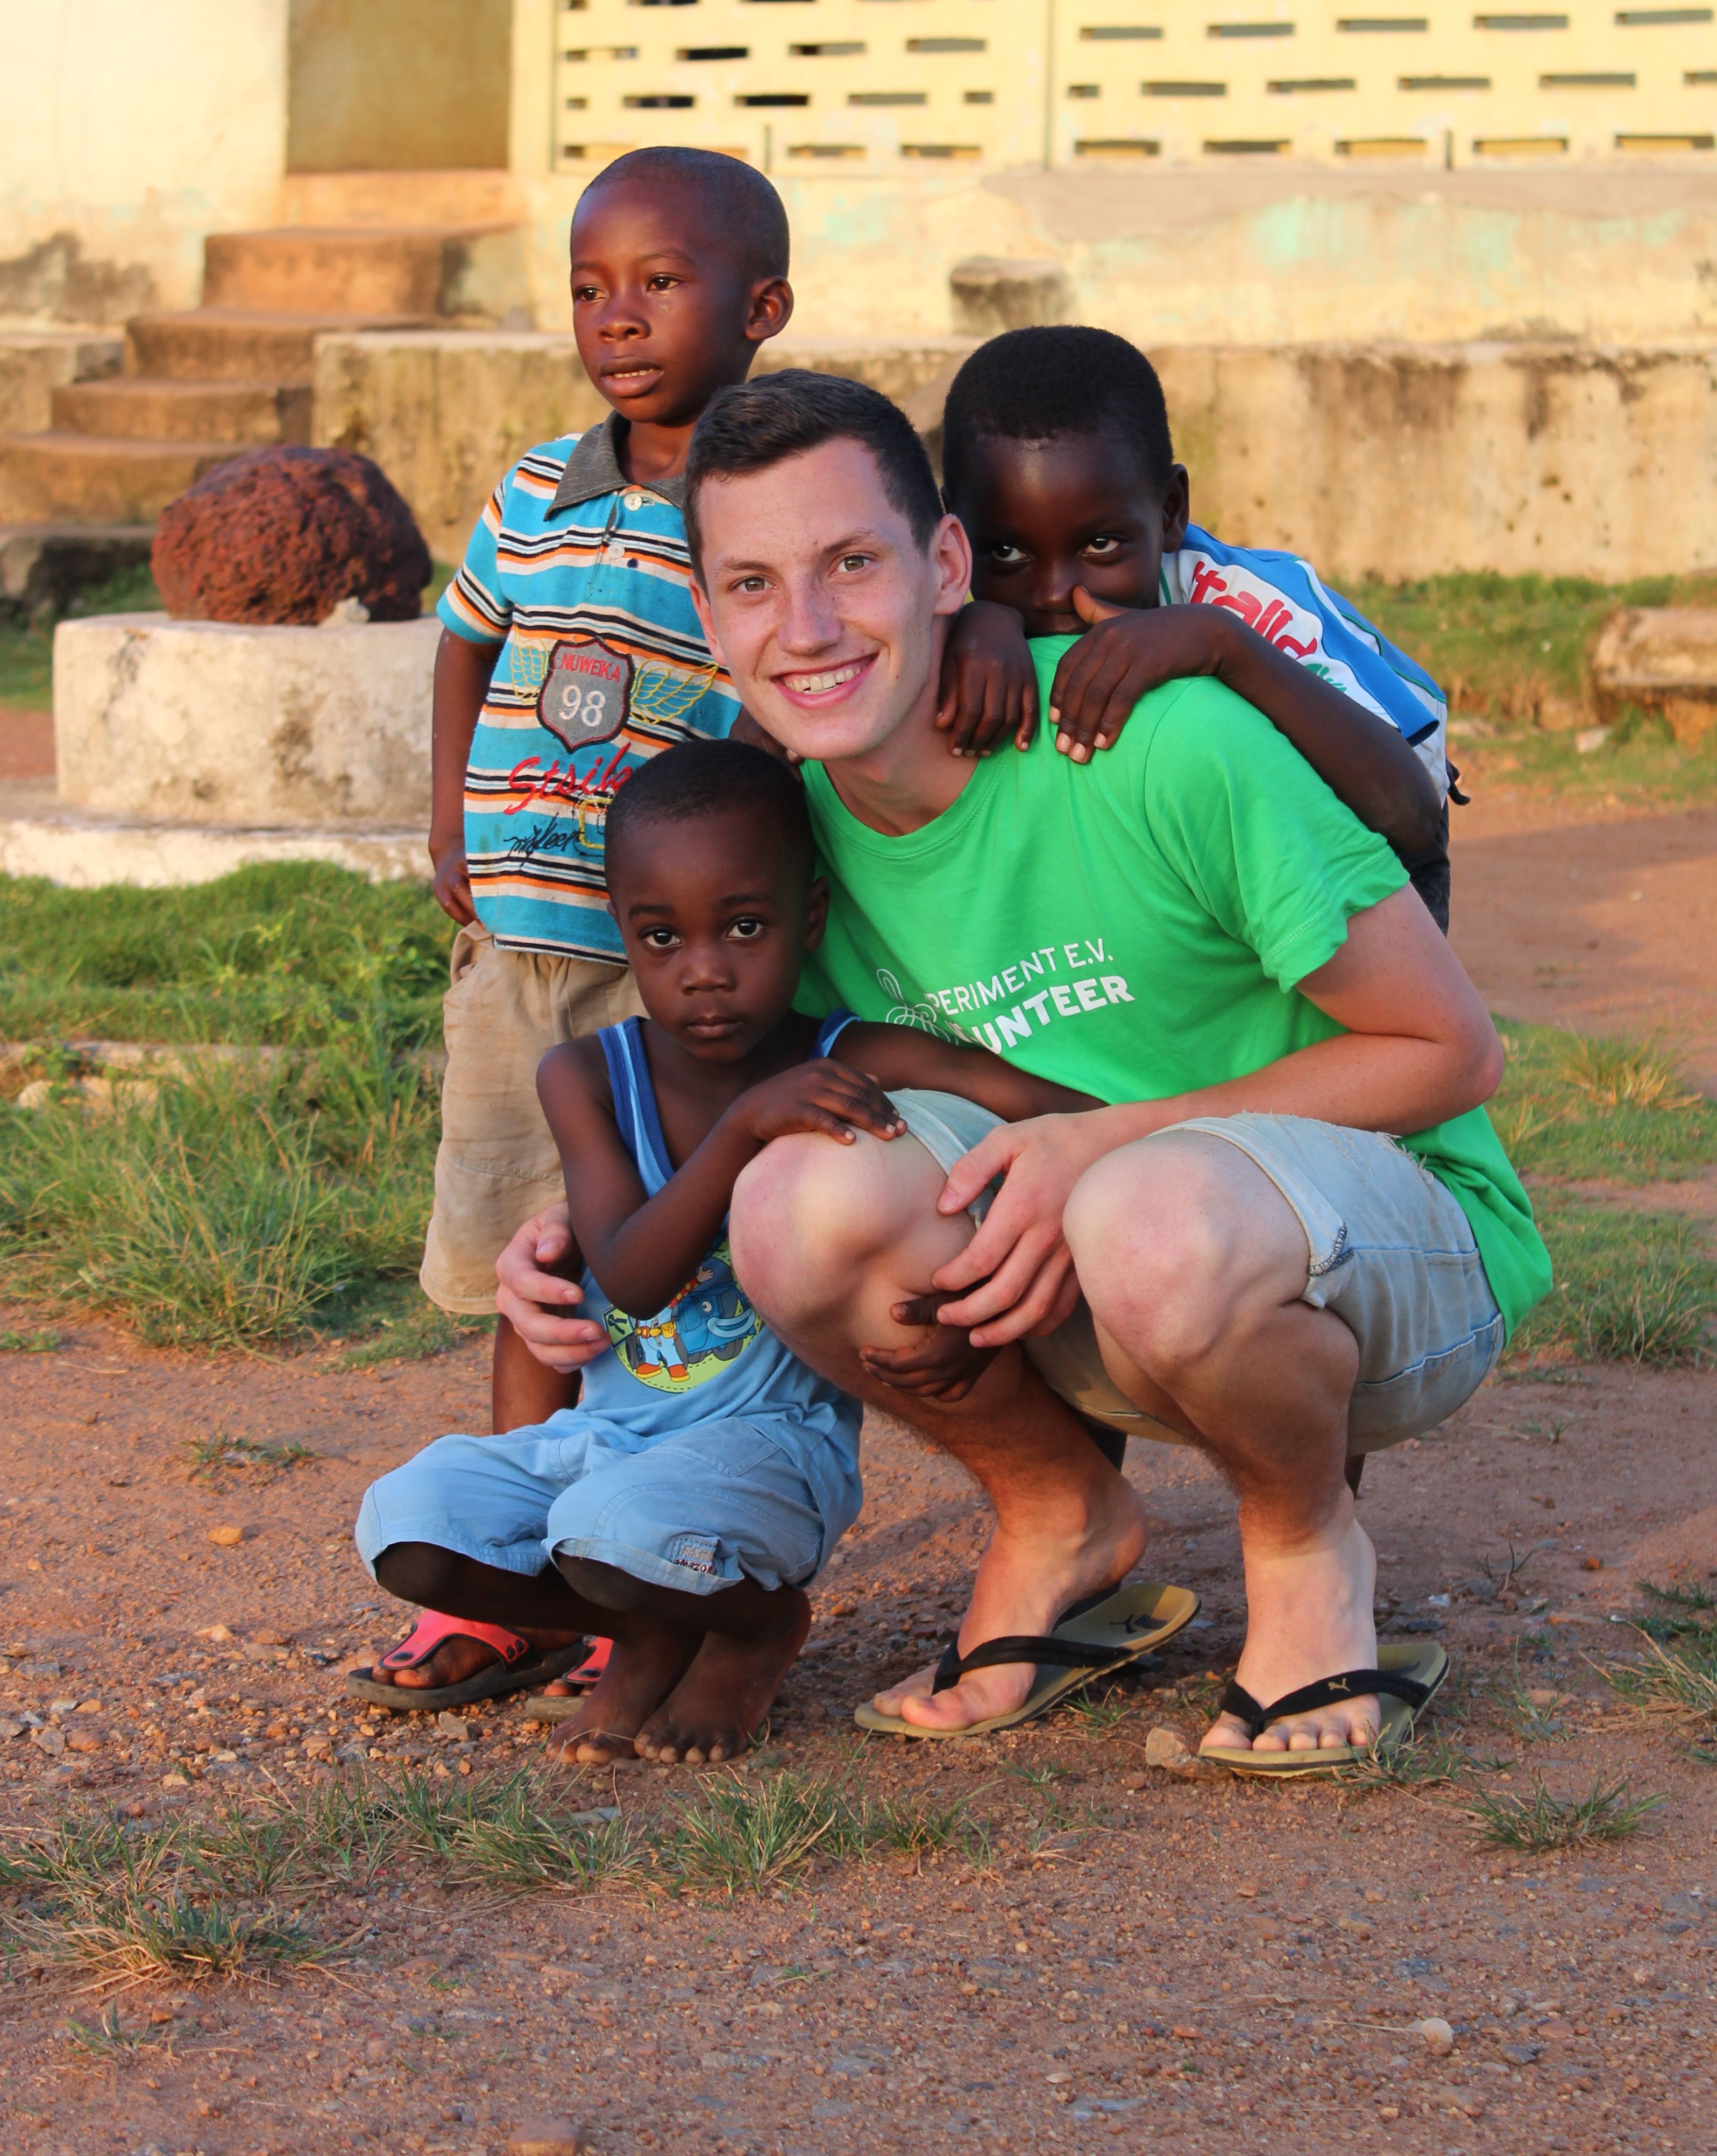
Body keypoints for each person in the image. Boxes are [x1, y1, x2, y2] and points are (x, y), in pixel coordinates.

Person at [499, 370, 1545, 1769]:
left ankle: (1306, 1549)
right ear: (709, 617)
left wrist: (1102, 1146)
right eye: (751, 583)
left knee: (1151, 1211)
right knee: (791, 1199)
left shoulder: (1156, 739)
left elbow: (1447, 1050)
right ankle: (1061, 1514)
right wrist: (582, 1226)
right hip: (1089, 1284)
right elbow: (718, 1101)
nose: (803, 628)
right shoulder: (779, 846)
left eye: (851, 564)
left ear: (944, 565)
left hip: (1385, 1268)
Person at [355, 740, 1157, 1766]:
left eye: (744, 927)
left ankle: (753, 1622)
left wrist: (974, 1303)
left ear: (807, 919)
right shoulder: (587, 1075)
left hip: (773, 1446)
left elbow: (1057, 1113)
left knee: (613, 1524)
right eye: (661, 935)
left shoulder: (849, 1059)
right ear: (624, 934)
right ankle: (651, 1624)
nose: (704, 970)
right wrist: (745, 1130)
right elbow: (634, 1272)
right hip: (609, 1436)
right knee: (407, 1521)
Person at [364, 145, 794, 1708]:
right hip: (514, 953)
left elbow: (791, 701)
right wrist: (443, 815)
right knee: (520, 1265)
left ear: (763, 307)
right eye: (589, 286)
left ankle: (641, 1564)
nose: (615, 315)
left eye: (660, 283)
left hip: (658, 972)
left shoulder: (761, 512)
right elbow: (469, 653)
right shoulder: (535, 489)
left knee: (653, 1269)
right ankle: (513, 1572)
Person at [931, 324, 1458, 927]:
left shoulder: (1239, 607)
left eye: (1101, 544)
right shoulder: (930, 601)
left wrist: (1221, 646)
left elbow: (1412, 819)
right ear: (953, 535)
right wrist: (974, 620)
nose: (1054, 594)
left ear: (1171, 510)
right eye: (1005, 554)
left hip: (1391, 831)